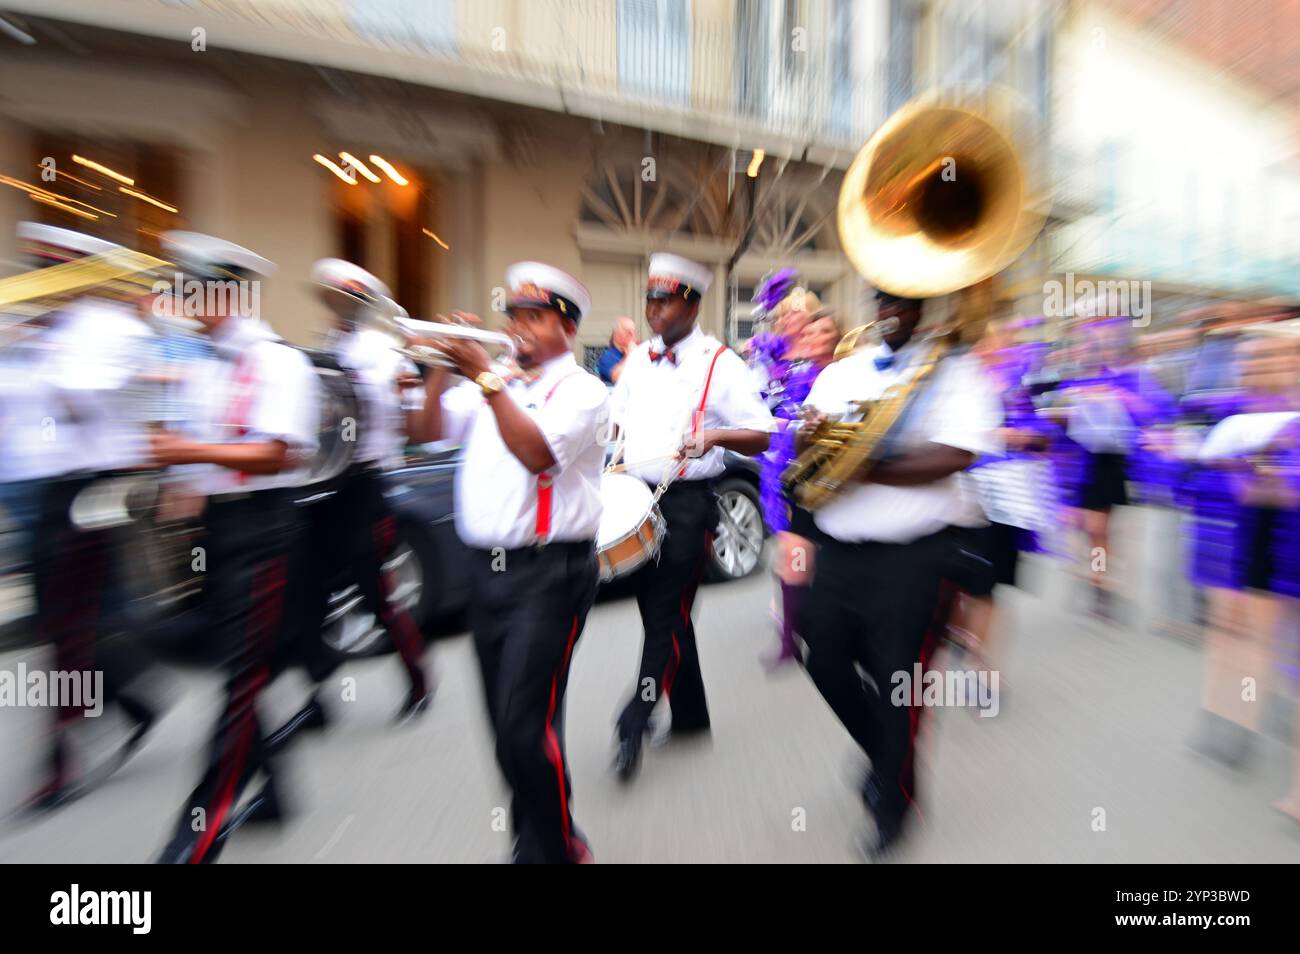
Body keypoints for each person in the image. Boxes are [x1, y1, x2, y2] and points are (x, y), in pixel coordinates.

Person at [797, 289, 1001, 859]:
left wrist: (866, 466)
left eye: (903, 301)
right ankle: (887, 754)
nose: (889, 310)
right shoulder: (844, 370)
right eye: (881, 300)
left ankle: (897, 802)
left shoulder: (957, 372)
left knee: (897, 683)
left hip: (916, 556)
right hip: (840, 550)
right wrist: (811, 434)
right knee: (825, 660)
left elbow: (956, 455)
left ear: (924, 306)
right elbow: (809, 446)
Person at [417, 261, 608, 863]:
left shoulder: (582, 391)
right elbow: (424, 431)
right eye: (515, 317)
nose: (519, 329)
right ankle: (548, 833)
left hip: (549, 575)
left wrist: (483, 378)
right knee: (506, 730)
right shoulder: (494, 380)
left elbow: (537, 456)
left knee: (526, 725)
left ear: (567, 329)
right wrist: (438, 371)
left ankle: (553, 848)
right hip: (486, 571)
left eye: (535, 318)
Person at [150, 232, 319, 863]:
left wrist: (186, 453)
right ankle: (274, 789)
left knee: (239, 685)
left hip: (264, 530)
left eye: (196, 290)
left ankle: (194, 835)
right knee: (236, 671)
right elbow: (193, 461)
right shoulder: (202, 363)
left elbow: (279, 451)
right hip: (218, 529)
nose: (187, 301)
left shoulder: (277, 361)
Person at [12, 223, 161, 811]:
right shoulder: (49, 327)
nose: (46, 274)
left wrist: (44, 353)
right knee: (62, 621)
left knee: (66, 627)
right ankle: (132, 702)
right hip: (39, 487)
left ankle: (61, 761)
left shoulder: (114, 329)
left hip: (89, 490)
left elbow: (91, 398)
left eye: (57, 264)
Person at [608, 253, 773, 780]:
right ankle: (691, 717)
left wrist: (717, 436)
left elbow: (762, 433)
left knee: (664, 616)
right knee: (665, 614)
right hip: (637, 499)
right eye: (649, 298)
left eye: (663, 298)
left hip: (687, 503)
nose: (653, 307)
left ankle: (635, 718)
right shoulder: (638, 360)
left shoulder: (720, 362)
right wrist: (610, 455)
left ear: (692, 302)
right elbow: (617, 424)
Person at [268, 259, 432, 750]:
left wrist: (403, 389)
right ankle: (319, 693)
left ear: (363, 304)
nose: (335, 306)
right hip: (322, 485)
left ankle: (418, 678)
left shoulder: (385, 351)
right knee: (306, 592)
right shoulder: (325, 345)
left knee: (375, 591)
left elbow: (411, 420)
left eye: (345, 299)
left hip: (365, 485)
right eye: (330, 297)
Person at [757, 292, 836, 670]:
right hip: (787, 469)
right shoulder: (777, 361)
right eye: (787, 314)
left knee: (817, 555)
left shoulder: (837, 367)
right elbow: (763, 406)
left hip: (828, 471)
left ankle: (808, 624)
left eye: (801, 315)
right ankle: (790, 634)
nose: (795, 322)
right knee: (793, 550)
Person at [595, 316, 639, 385]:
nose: (633, 335)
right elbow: (619, 379)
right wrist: (629, 355)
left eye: (634, 331)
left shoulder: (638, 354)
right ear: (617, 334)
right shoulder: (607, 357)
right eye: (629, 332)